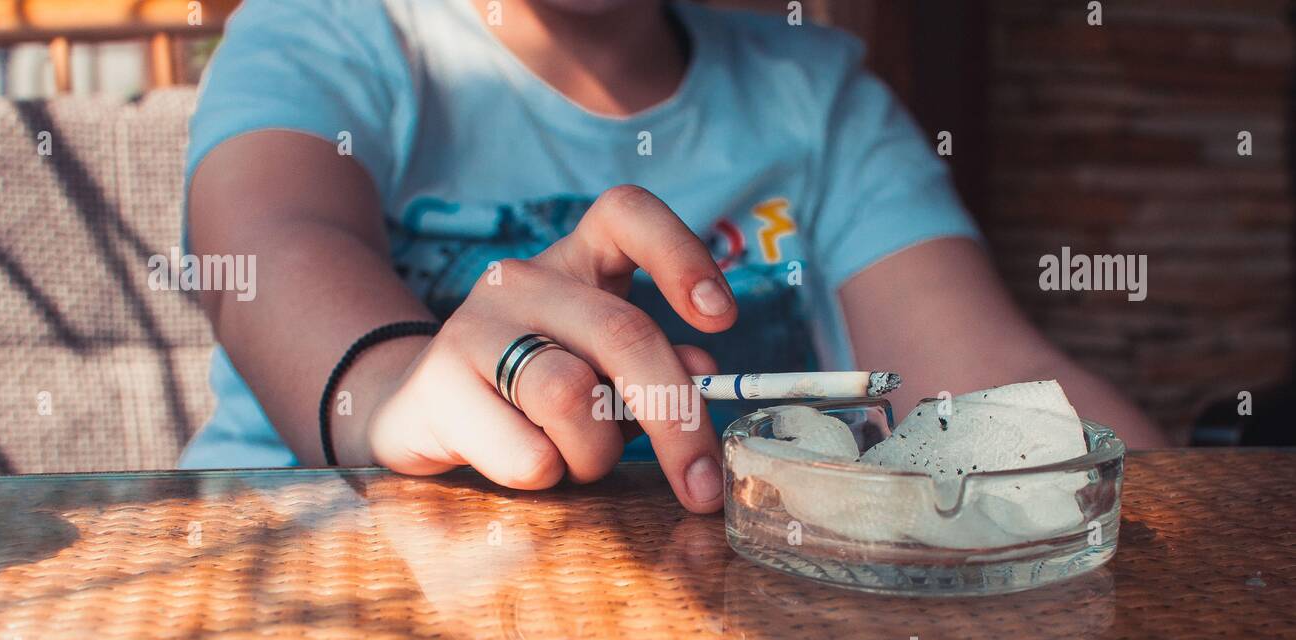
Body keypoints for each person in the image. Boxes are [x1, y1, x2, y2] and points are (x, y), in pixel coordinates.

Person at [181, 0, 1166, 513]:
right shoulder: (322, 32)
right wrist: (396, 383)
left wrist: (1204, 526)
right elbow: (269, 244)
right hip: (308, 610)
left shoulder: (812, 90)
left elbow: (980, 379)